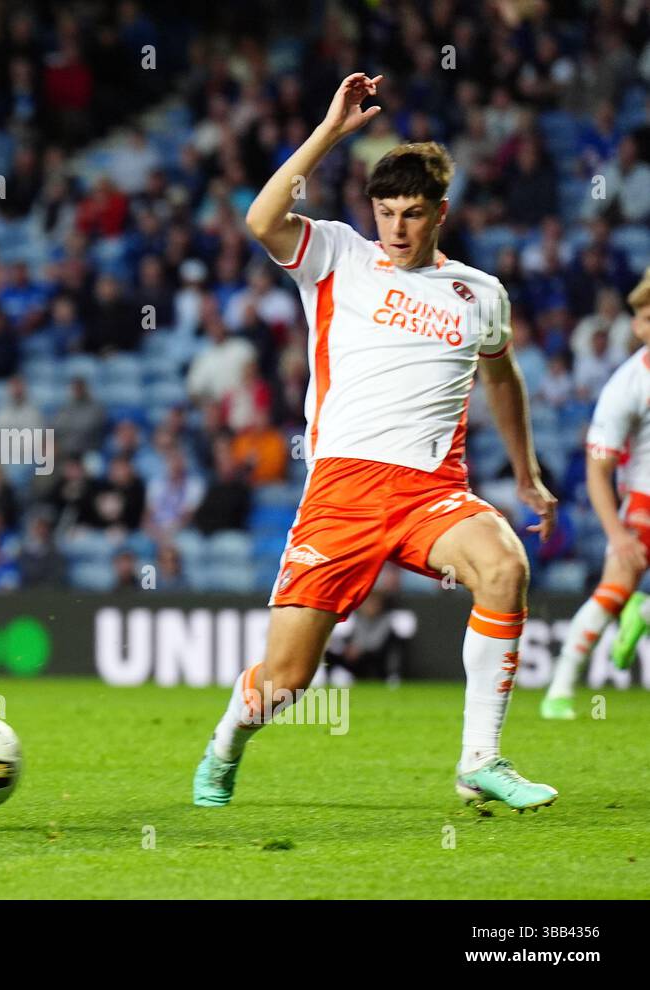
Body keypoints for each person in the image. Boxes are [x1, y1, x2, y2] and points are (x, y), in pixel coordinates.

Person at [193, 74, 559, 812]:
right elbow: (262, 220)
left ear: (440, 214)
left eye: (412, 213)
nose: (396, 228)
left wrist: (526, 474)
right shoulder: (337, 256)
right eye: (385, 211)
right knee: (287, 681)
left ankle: (480, 761)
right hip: (342, 492)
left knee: (503, 565)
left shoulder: (480, 294)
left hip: (431, 491)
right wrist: (331, 132)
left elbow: (503, 379)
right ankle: (226, 744)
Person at [543, 274, 650, 717]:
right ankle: (559, 691)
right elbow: (596, 470)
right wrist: (617, 534)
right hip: (643, 503)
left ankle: (643, 614)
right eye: (644, 318)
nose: (648, 326)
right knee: (611, 593)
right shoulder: (625, 386)